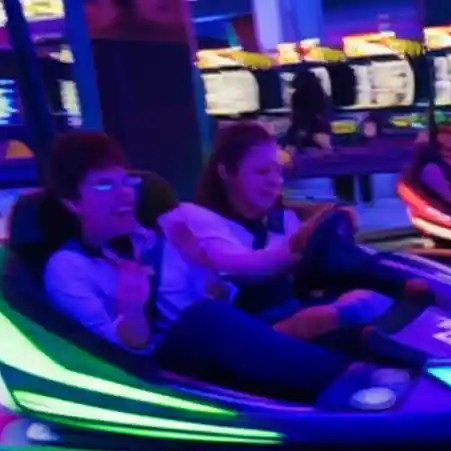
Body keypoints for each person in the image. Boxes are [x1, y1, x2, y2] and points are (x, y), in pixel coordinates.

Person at [40, 131, 399, 405]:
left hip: (217, 339)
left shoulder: (153, 238)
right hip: (162, 372)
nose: (123, 195)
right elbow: (116, 358)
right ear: (72, 202)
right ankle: (355, 384)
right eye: (104, 185)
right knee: (205, 321)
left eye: (125, 183)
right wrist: (132, 308)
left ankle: (402, 364)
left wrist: (196, 257)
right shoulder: (68, 269)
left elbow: (221, 295)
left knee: (342, 312)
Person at [183, 122, 425, 343]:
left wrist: (327, 218)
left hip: (293, 312)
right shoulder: (204, 225)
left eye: (277, 171)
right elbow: (246, 269)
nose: (275, 181)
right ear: (226, 173)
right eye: (261, 172)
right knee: (349, 308)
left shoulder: (279, 219)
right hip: (249, 334)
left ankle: (413, 290)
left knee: (367, 280)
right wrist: (310, 229)